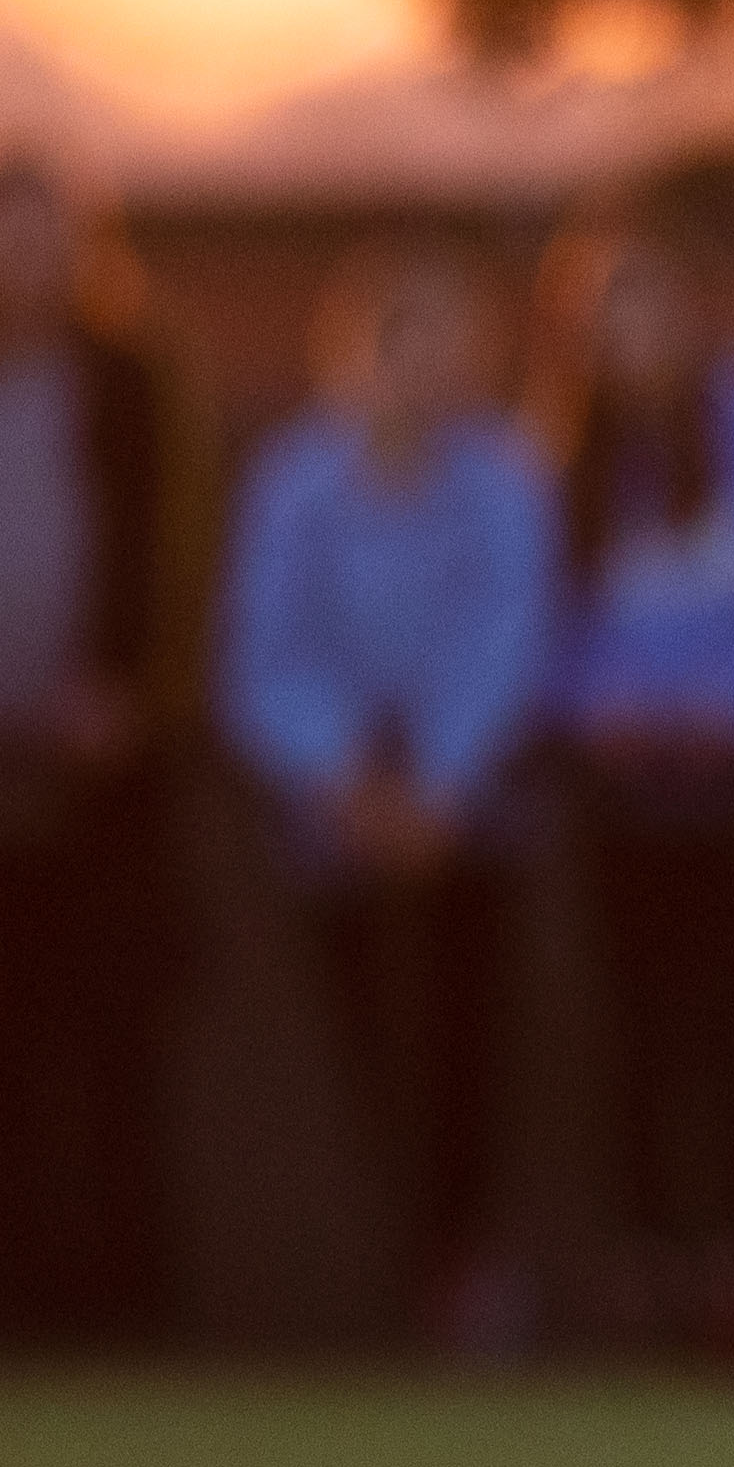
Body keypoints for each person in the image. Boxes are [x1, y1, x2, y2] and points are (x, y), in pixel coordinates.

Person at [0, 142, 192, 1347]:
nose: (25, 256)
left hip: (101, 782)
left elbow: (176, 553)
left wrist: (127, 695)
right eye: (1, 232)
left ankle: (130, 1310)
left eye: (49, 231)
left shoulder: (129, 383)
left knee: (112, 1039)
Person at [216, 245, 557, 1350]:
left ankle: (469, 1274)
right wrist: (347, 774)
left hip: (471, 822)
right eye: (399, 338)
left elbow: (510, 637)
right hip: (333, 824)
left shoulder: (507, 479)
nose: (421, 363)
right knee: (364, 1054)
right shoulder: (293, 484)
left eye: (446, 340)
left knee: (473, 1051)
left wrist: (440, 783)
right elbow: (260, 656)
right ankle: (383, 1280)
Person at [529, 212, 734, 1357]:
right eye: (612, 312)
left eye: (655, 304)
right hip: (624, 804)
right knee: (636, 1035)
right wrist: (597, 707)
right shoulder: (561, 460)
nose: (637, 333)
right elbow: (547, 628)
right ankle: (651, 1266)